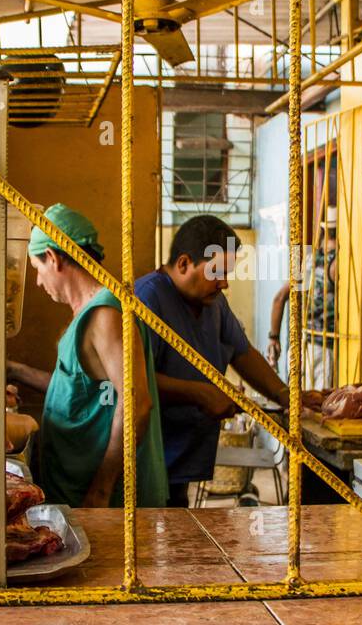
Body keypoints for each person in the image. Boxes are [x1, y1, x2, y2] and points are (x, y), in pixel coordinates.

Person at [135, 215, 289, 507]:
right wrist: (200, 393)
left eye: (228, 273)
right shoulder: (147, 298)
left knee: (176, 530)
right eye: (217, 272)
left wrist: (287, 397)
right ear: (183, 264)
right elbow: (133, 379)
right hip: (151, 454)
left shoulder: (213, 302)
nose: (225, 283)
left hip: (185, 455)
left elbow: (242, 353)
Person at [28, 203, 168, 508]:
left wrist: (101, 490)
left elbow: (137, 403)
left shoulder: (105, 313)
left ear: (53, 258)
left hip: (105, 501)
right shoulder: (91, 312)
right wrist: (16, 372)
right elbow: (80, 390)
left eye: (38, 270)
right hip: (77, 490)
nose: (39, 282)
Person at [266, 207, 337, 389]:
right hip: (325, 346)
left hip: (301, 344)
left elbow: (279, 298)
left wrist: (274, 338)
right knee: (319, 406)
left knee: (297, 403)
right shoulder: (337, 263)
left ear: (322, 230)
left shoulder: (307, 260)